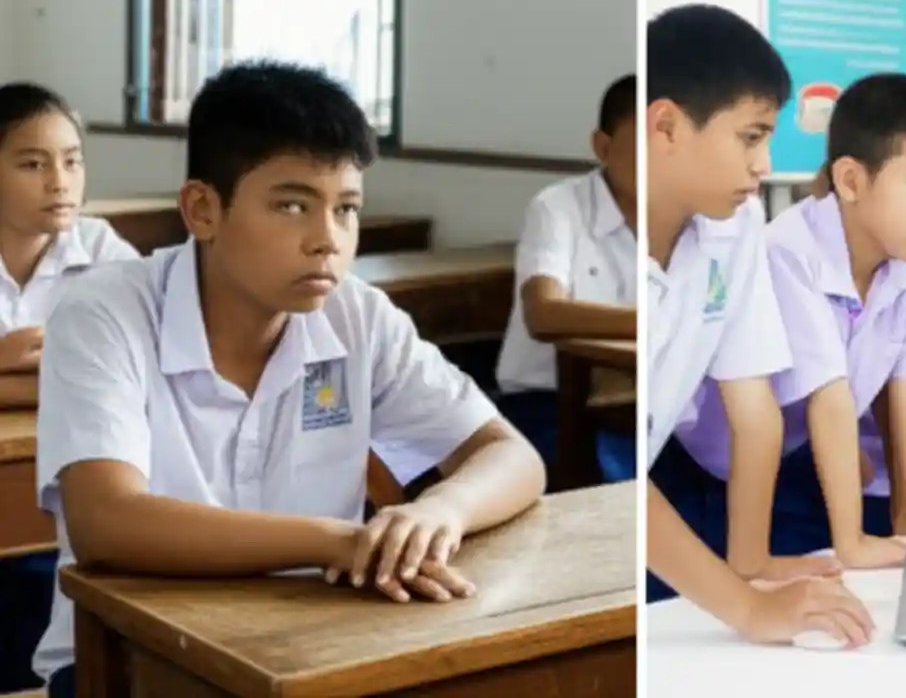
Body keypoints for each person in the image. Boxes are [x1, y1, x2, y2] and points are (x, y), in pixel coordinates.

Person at [32, 61, 545, 696]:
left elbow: (512, 455)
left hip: (308, 649)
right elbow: (106, 521)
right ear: (202, 210)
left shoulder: (356, 315)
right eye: (292, 205)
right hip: (126, 658)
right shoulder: (106, 311)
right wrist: (335, 542)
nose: (327, 240)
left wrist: (442, 509)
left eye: (347, 208)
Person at [646, 4, 873, 649]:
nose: (764, 164)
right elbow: (633, 485)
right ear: (666, 126)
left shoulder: (735, 225)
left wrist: (752, 567)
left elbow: (756, 412)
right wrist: (746, 607)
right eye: (750, 137)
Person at [0, 82, 138, 694]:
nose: (60, 181)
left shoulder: (103, 249)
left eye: (72, 160)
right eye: (32, 163)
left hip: (65, 500)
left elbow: (129, 371)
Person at [494, 74, 637, 482]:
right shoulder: (558, 207)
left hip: (634, 402)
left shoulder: (678, 217)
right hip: (547, 404)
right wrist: (649, 322)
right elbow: (543, 313)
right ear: (603, 146)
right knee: (620, 484)